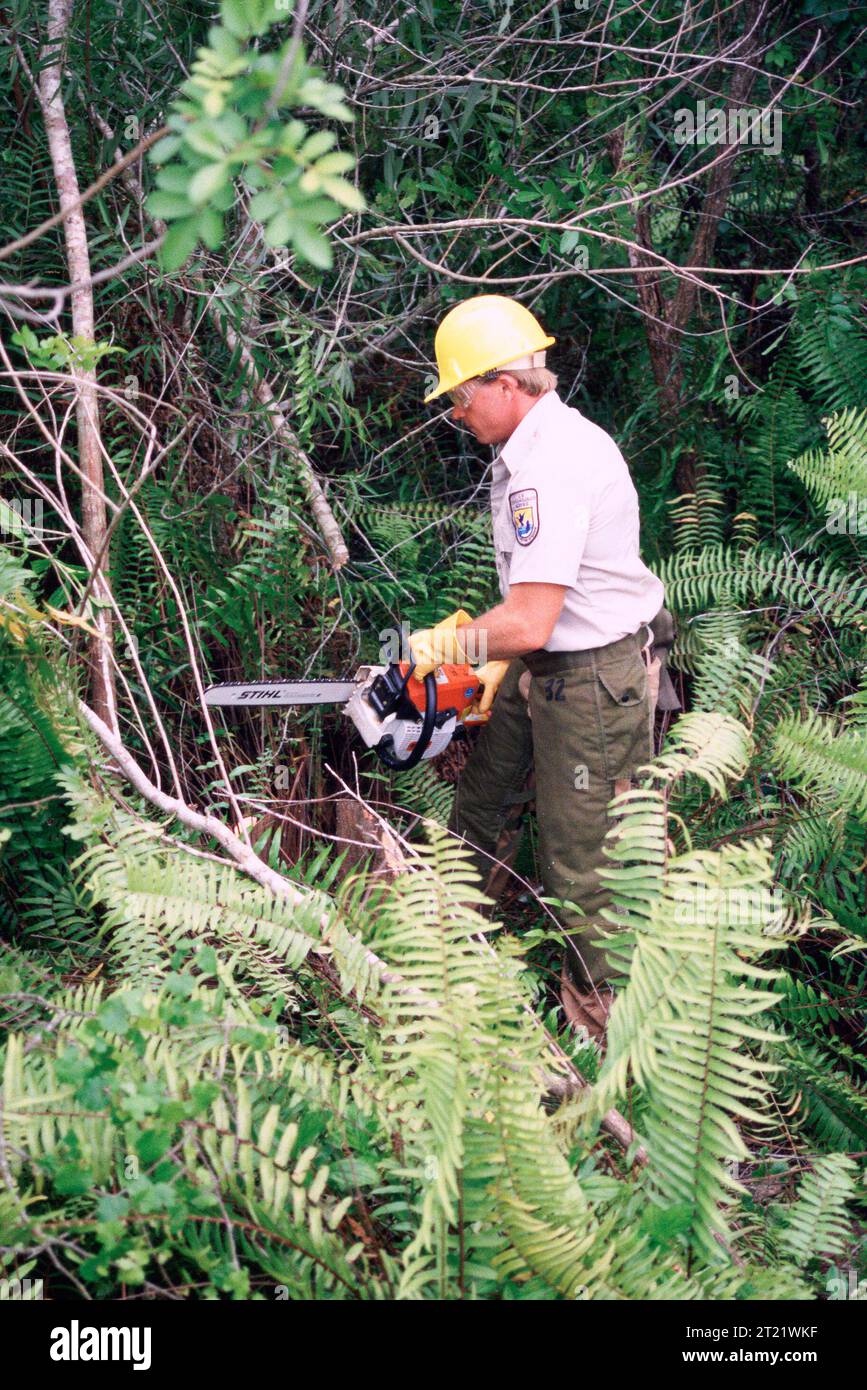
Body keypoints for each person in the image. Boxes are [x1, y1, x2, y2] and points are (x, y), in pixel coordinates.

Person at [408, 294, 677, 1042]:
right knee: (481, 804)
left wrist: (446, 649)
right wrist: (498, 660)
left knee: (587, 865)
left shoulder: (548, 466)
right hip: (548, 665)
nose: (455, 416)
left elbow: (529, 619)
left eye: (459, 400)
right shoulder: (532, 449)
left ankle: (608, 1045)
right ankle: (452, 974)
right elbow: (530, 621)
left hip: (592, 679)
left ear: (503, 384)